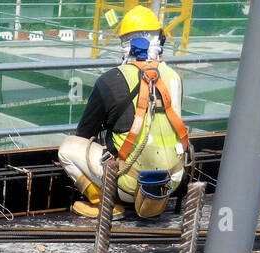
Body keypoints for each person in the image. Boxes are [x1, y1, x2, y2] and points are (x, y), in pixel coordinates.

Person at [57, 5, 189, 219]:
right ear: (159, 42)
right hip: (170, 184)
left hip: (129, 186)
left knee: (67, 148)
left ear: (125, 45)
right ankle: (152, 199)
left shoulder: (110, 80)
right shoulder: (175, 78)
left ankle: (104, 204)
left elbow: (84, 134)